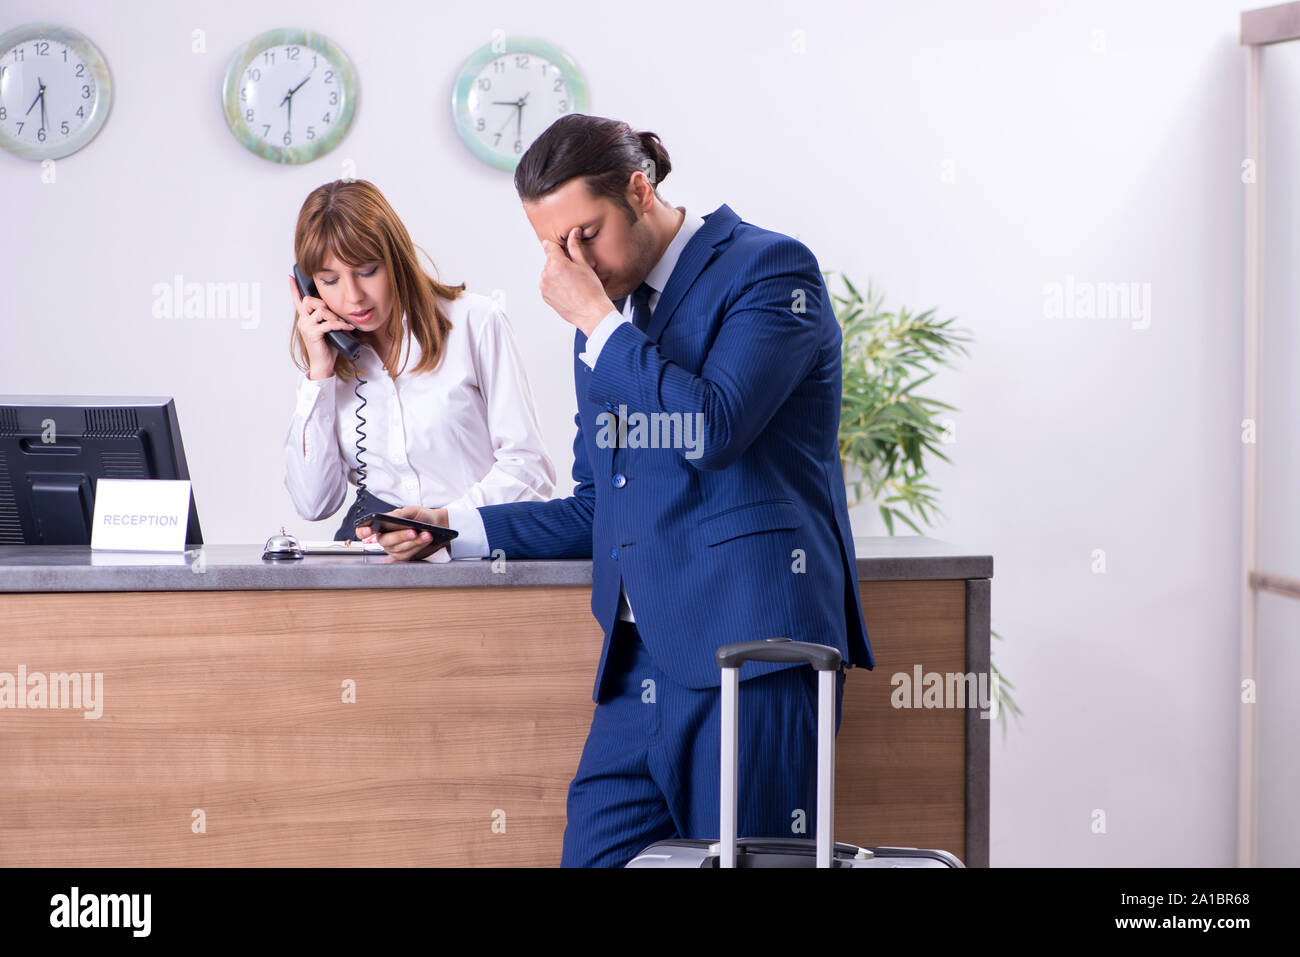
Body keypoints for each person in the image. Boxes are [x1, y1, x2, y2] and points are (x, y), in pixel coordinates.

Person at [357, 115, 874, 866]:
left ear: (640, 189)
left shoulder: (768, 271)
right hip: (637, 669)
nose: (574, 263)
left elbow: (713, 429)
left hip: (753, 654)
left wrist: (598, 322)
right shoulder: (604, 320)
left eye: (586, 234)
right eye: (553, 246)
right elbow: (598, 503)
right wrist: (449, 524)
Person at [284, 179, 556, 543]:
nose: (353, 297)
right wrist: (319, 376)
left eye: (367, 271)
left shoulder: (475, 322)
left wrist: (443, 522)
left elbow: (530, 468)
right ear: (309, 286)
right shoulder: (333, 358)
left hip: (471, 548)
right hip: (372, 557)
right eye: (329, 280)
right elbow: (313, 503)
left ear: (396, 259)